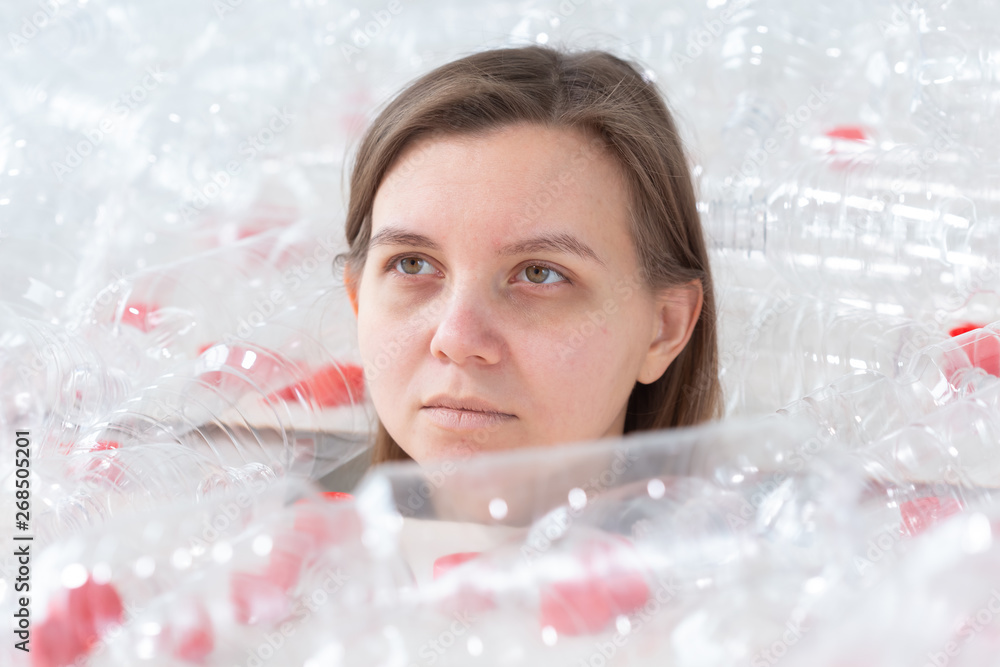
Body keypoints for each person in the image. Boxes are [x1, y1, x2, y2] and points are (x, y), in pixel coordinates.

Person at [335, 44, 720, 466]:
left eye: (538, 274)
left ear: (663, 328)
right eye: (413, 264)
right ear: (358, 300)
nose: (457, 340)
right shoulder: (277, 524)